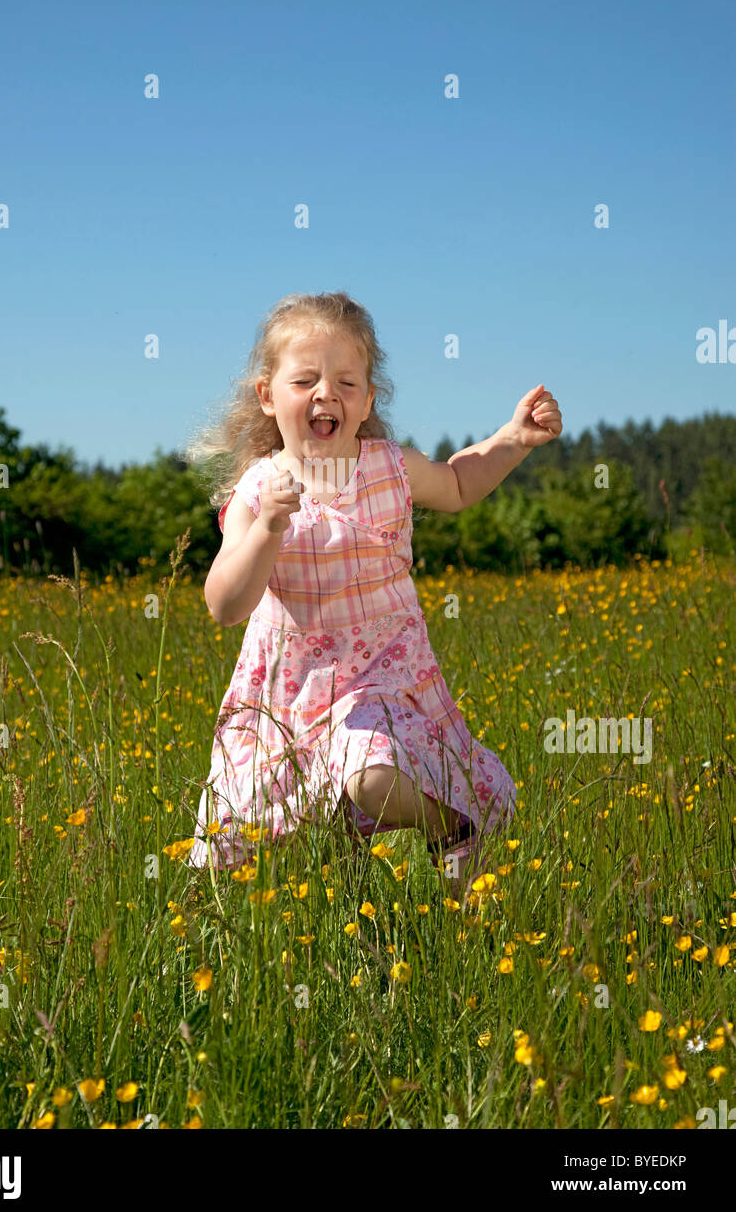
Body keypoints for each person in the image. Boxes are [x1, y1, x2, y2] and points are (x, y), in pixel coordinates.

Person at [185, 291, 562, 886]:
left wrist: (512, 439)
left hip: (383, 676)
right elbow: (225, 604)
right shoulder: (258, 492)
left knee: (370, 774)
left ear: (366, 403)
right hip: (290, 693)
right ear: (266, 397)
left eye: (346, 382)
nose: (325, 394)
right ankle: (367, 931)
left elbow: (460, 484)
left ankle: (454, 830)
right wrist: (267, 532)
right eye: (305, 378)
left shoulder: (389, 466)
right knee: (300, 853)